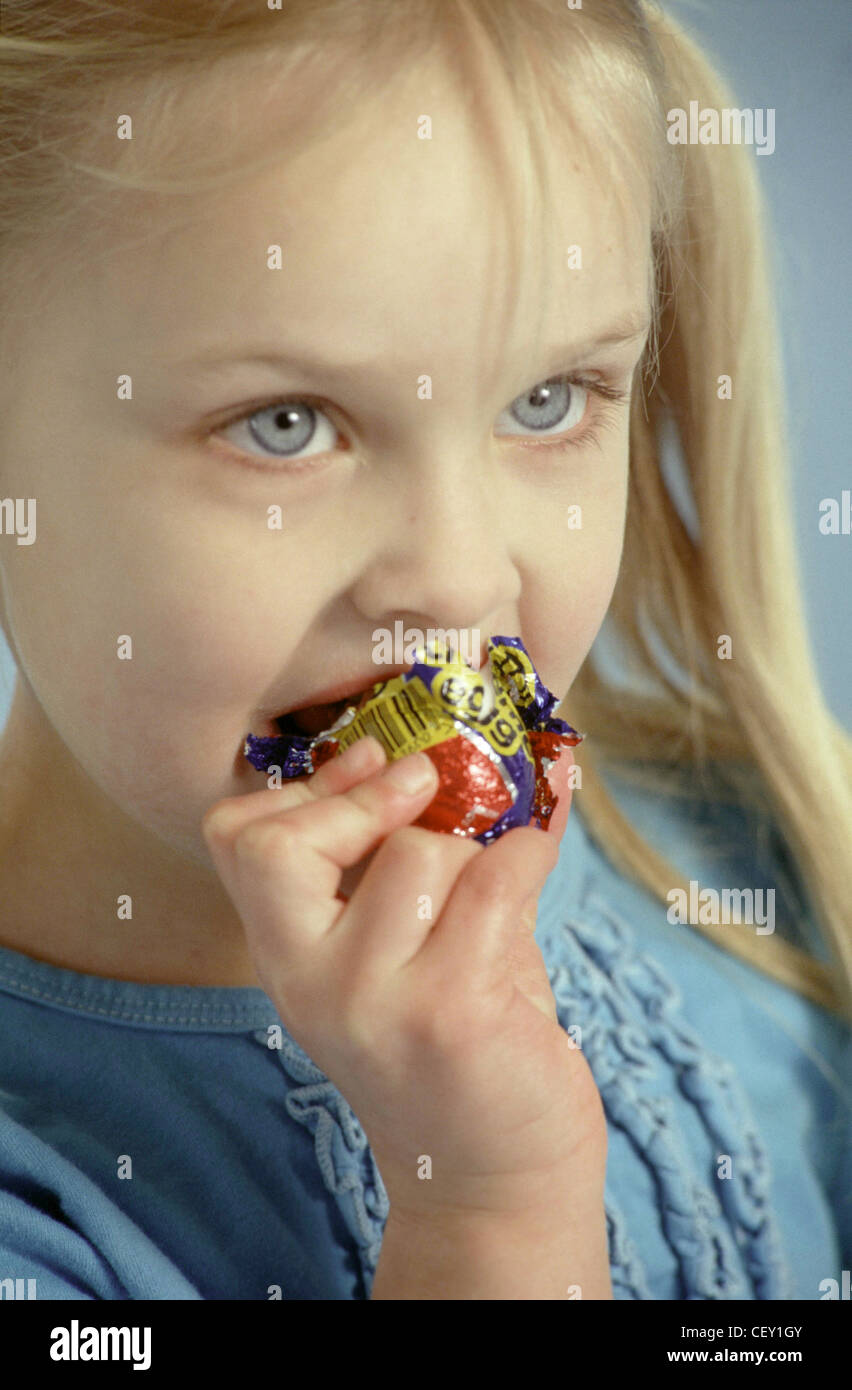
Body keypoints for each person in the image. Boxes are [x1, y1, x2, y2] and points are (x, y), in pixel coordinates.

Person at [0, 0, 848, 1301]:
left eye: (547, 400)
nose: (459, 578)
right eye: (285, 423)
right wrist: (489, 1219)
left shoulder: (771, 870)